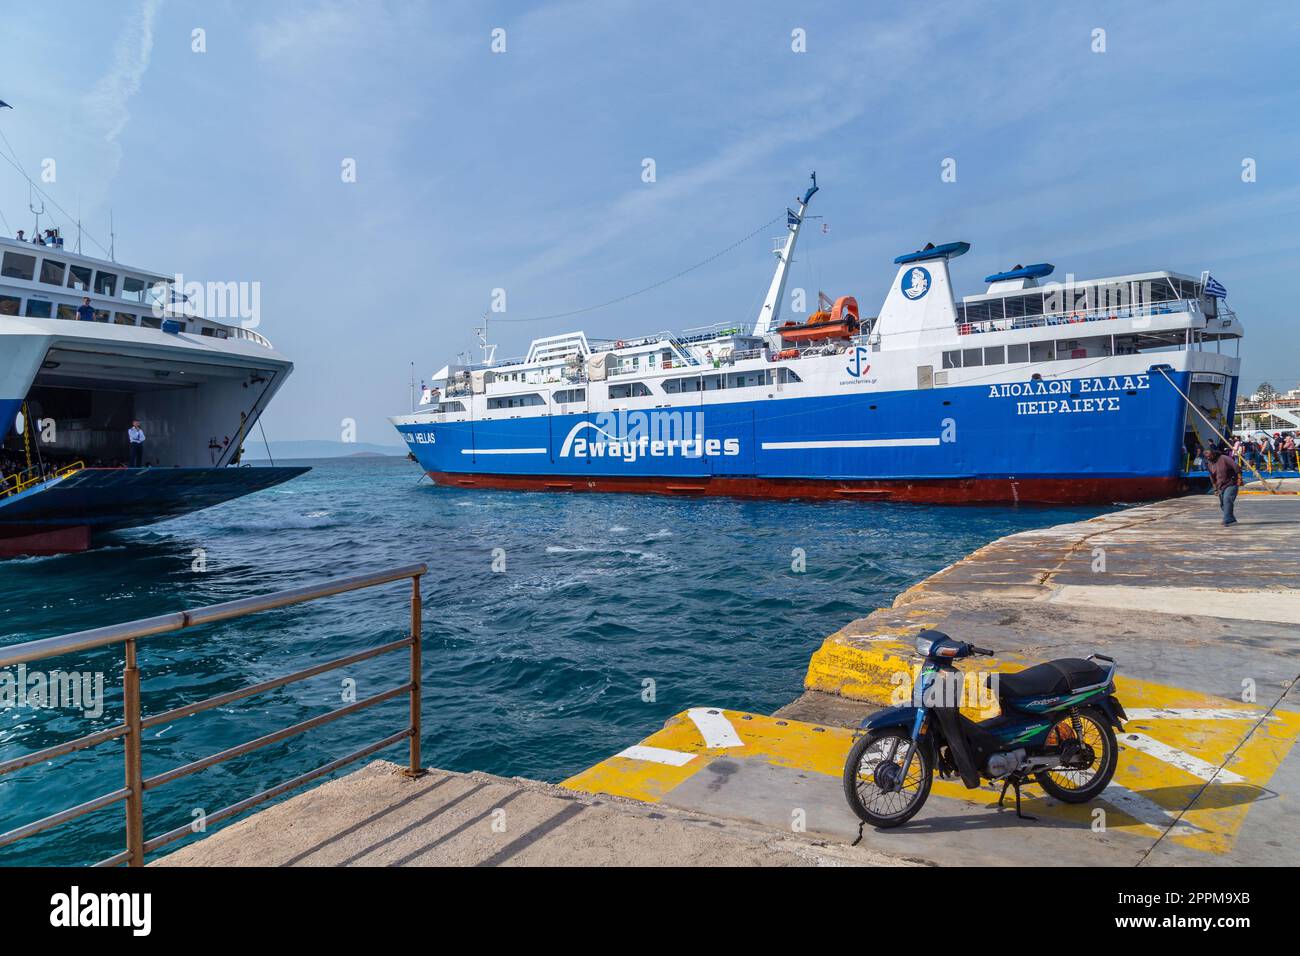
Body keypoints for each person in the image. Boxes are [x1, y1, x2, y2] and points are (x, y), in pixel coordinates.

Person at [1206, 448, 1241, 527]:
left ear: (1214, 454)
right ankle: (1231, 518)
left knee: (1227, 499)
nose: (1208, 458)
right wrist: (1215, 489)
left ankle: (1227, 519)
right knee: (1223, 504)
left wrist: (1239, 479)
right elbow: (1212, 478)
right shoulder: (1209, 464)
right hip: (1220, 486)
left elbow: (1236, 467)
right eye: (1206, 457)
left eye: (1209, 456)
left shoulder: (1224, 458)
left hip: (1231, 483)